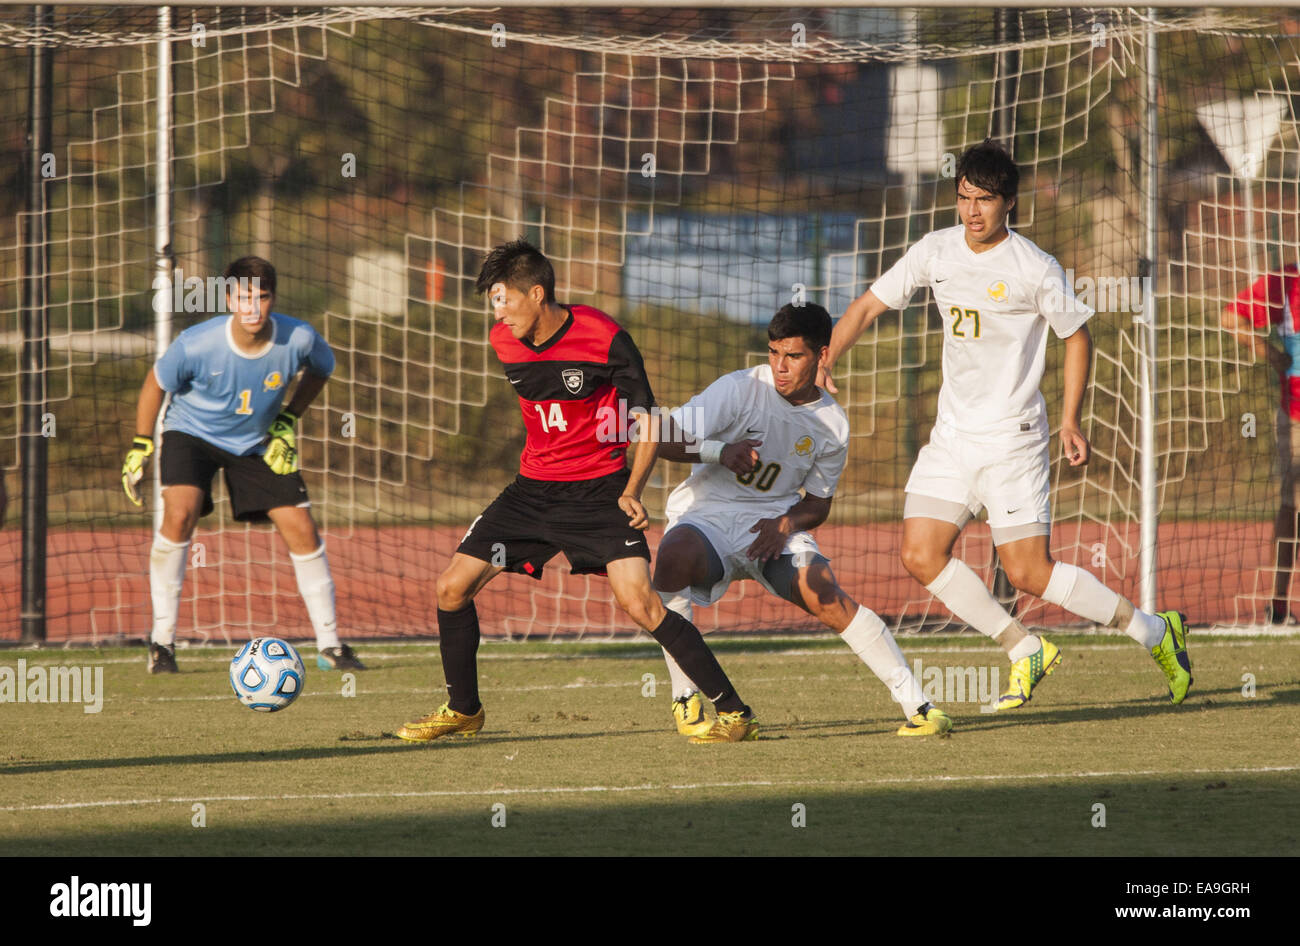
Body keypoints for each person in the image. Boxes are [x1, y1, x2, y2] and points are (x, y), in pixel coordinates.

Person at [821, 140, 1192, 708]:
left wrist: (1069, 420)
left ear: (1010, 203)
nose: (972, 211)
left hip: (1013, 442)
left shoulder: (1034, 268)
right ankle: (1024, 647)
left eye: (986, 200)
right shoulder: (935, 250)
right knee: (920, 554)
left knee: (1028, 573)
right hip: (951, 438)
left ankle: (1153, 630)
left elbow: (1077, 339)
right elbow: (868, 306)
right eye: (964, 197)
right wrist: (826, 361)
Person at [396, 239, 758, 744]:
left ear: (537, 293)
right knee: (451, 589)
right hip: (531, 493)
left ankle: (736, 713)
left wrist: (633, 489)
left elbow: (649, 421)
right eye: (493, 302)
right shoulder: (504, 340)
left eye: (504, 300)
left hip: (597, 496)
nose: (498, 313)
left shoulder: (604, 337)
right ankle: (464, 710)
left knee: (641, 603)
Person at [653, 302, 951, 737]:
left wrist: (785, 525)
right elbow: (662, 436)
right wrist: (719, 452)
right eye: (774, 353)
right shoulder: (738, 389)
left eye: (793, 356)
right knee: (671, 559)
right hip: (708, 518)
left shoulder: (832, 425)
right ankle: (685, 697)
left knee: (825, 593)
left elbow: (818, 504)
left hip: (773, 525)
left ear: (822, 355)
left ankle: (920, 707)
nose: (780, 366)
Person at [122, 256, 363, 673]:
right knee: (179, 515)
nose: (253, 307)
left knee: (301, 527)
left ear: (274, 299)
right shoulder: (196, 342)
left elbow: (322, 369)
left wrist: (288, 418)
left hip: (256, 442)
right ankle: (162, 643)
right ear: (229, 299)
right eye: (244, 297)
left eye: (262, 297)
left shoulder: (300, 338)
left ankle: (330, 646)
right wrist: (141, 445)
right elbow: (155, 384)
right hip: (191, 434)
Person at [1221, 262, 1300, 623]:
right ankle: (1278, 603)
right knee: (1291, 507)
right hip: (1296, 416)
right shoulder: (1286, 282)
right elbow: (1230, 317)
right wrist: (1272, 355)